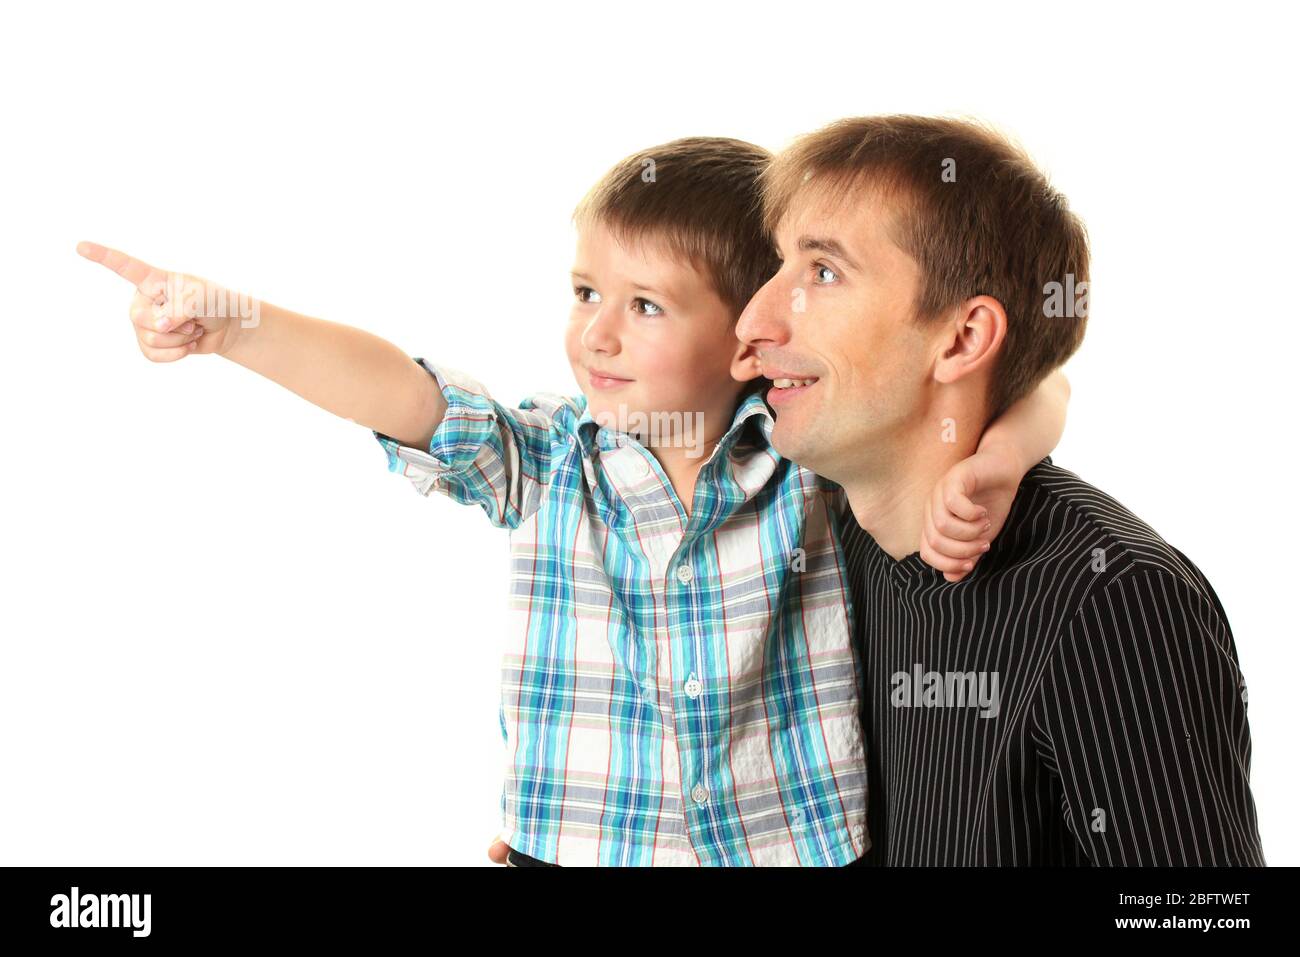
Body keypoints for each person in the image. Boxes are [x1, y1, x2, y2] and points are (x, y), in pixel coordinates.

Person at [78, 135, 1067, 866]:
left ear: (747, 334)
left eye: (644, 307)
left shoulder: (810, 463)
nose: (595, 335)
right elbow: (396, 391)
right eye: (585, 292)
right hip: (577, 850)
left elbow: (1039, 386)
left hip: (790, 852)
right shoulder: (552, 461)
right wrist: (232, 324)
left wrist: (999, 464)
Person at [734, 114, 1265, 865]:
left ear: (961, 339)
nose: (753, 319)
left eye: (822, 273)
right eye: (778, 265)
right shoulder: (798, 527)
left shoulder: (1113, 599)